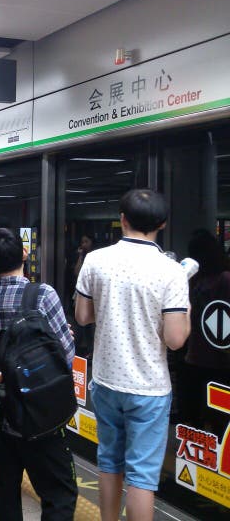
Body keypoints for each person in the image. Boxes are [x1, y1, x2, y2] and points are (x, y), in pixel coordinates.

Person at [75, 189, 190, 521]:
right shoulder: (172, 271)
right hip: (149, 388)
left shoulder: (96, 260)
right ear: (163, 224)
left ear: (122, 219)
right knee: (141, 476)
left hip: (106, 380)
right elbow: (175, 339)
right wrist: (185, 310)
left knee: (109, 462)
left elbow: (83, 316)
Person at [0, 228, 78, 521]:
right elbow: (67, 354)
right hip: (40, 413)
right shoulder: (43, 294)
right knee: (59, 494)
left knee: (5, 493)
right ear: (24, 253)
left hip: (1, 411)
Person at [178, 229, 230, 433]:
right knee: (209, 411)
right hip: (210, 354)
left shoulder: (201, 280)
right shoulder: (215, 279)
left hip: (203, 353)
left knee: (202, 409)